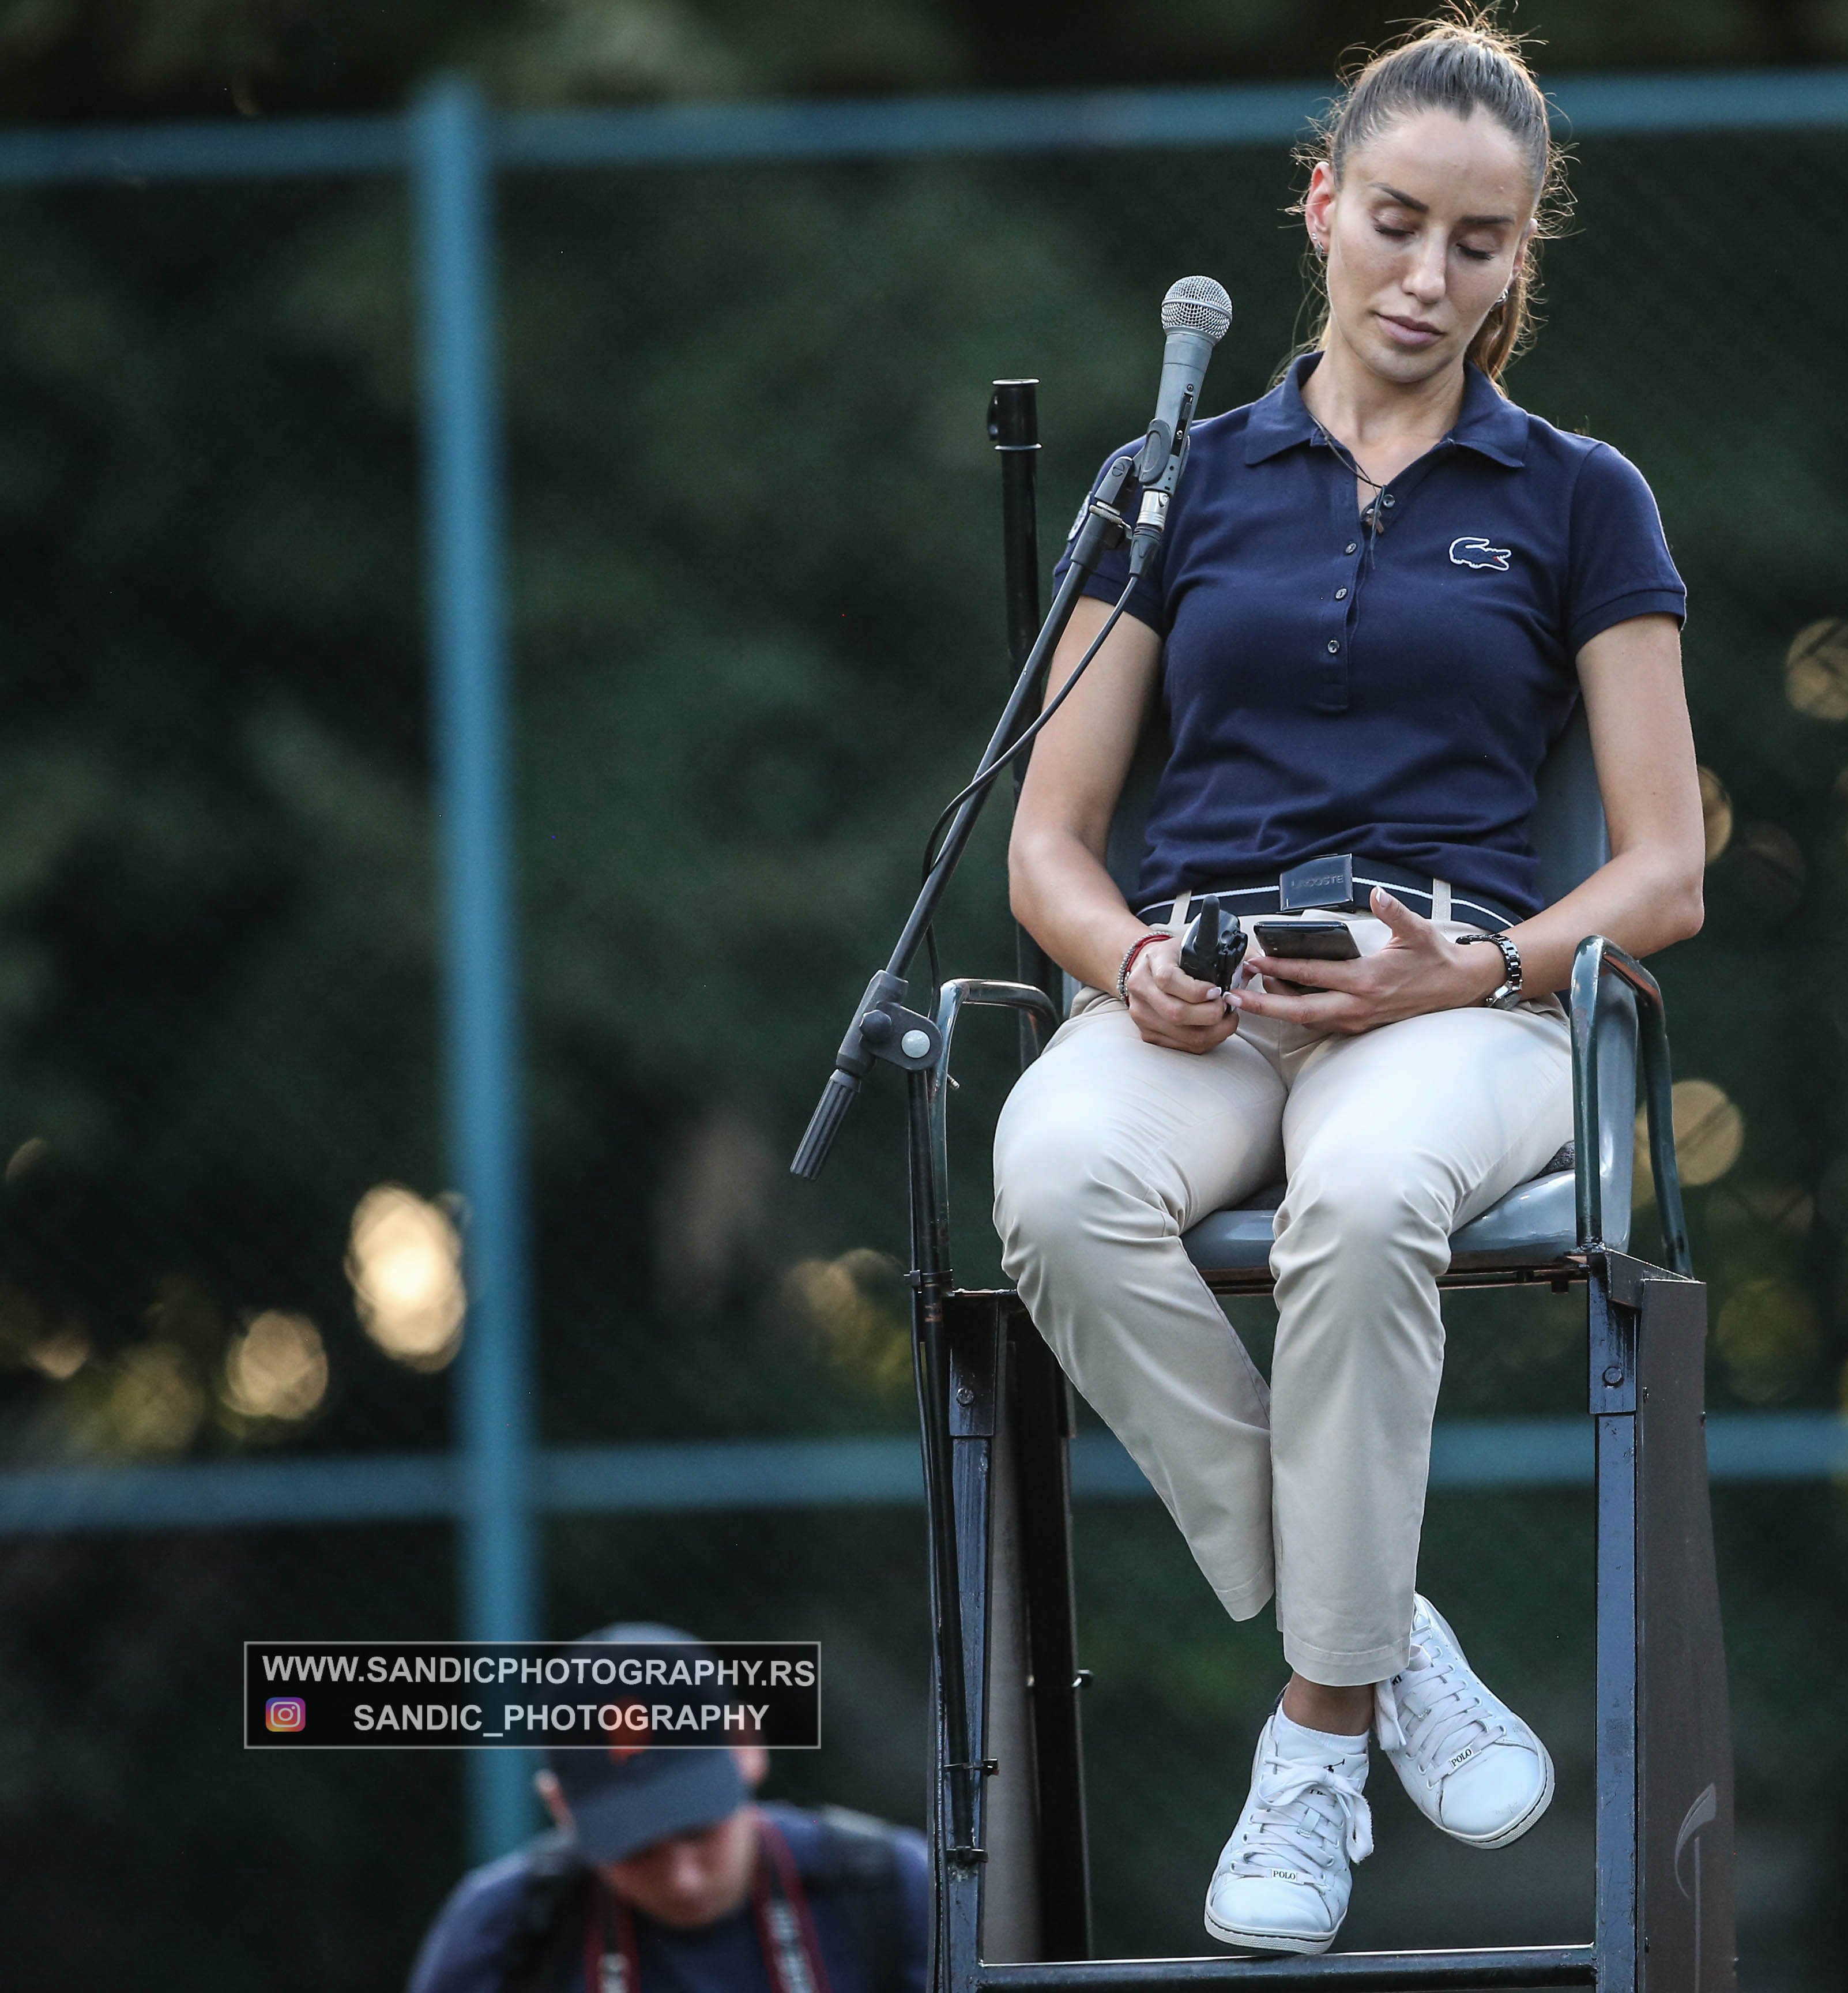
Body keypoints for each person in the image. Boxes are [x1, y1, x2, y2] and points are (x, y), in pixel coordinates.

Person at [991, 8, 1705, 1960]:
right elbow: (1046, 842)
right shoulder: (1178, 480)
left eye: (1479, 242)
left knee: (1368, 1193)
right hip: (1203, 986)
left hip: (1467, 998)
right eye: (1396, 223)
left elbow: (1664, 871)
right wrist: (1132, 963)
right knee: (1051, 1175)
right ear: (1320, 205)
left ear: (1519, 256)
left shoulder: (1583, 495)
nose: (1428, 276)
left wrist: (1472, 966)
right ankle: (1389, 1642)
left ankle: (1316, 1729)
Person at [407, 1624, 926, 1993]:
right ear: (562, 1808)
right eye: (635, 1849)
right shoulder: (507, 1930)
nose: (684, 1880)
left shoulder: (889, 1890)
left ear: (747, 1748)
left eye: (700, 1830)